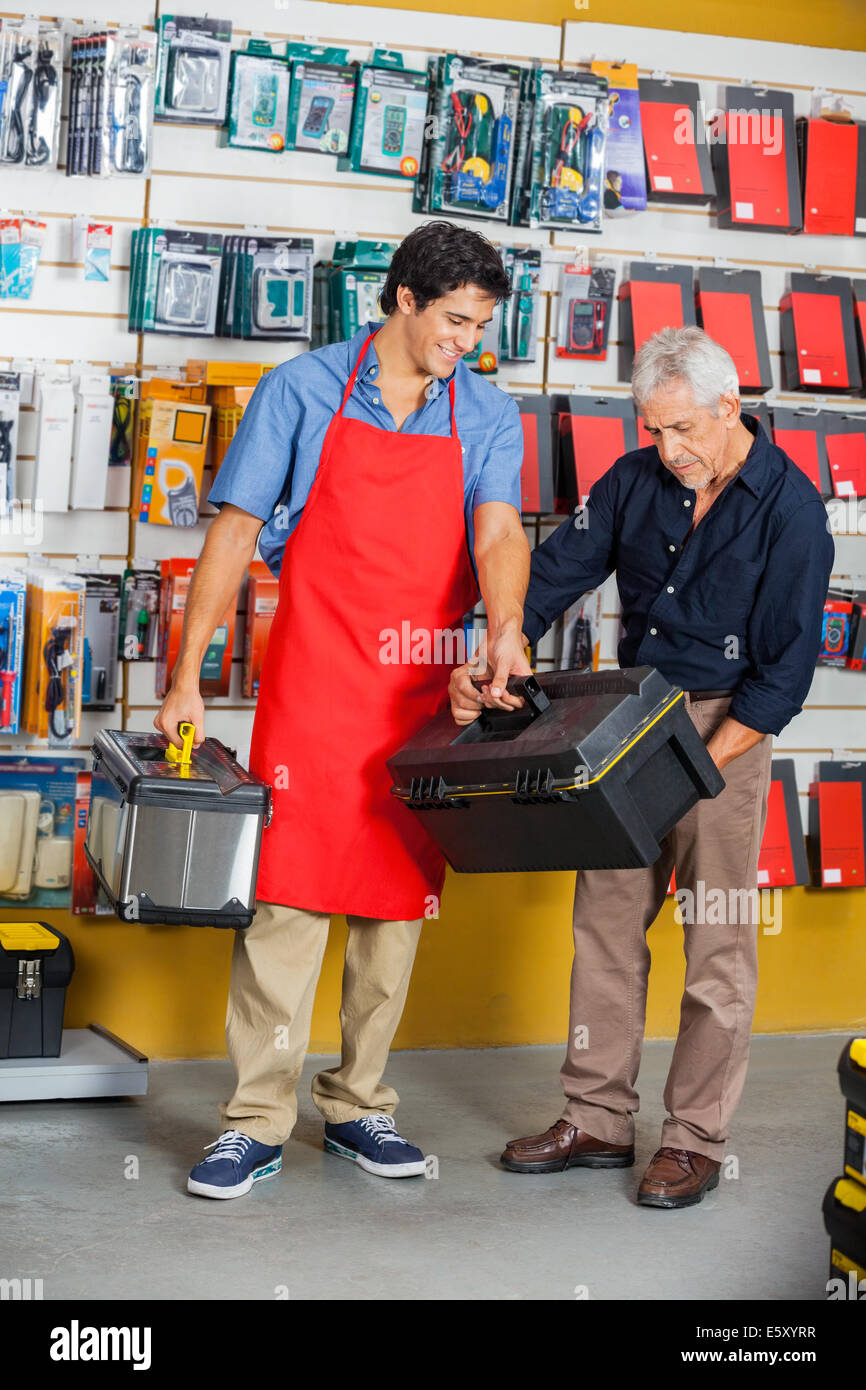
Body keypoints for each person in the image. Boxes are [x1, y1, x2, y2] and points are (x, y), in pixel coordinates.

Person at [156, 220, 531, 1199]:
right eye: (453, 320)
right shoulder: (302, 390)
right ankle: (255, 1120)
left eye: (480, 325)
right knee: (285, 903)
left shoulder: (486, 412)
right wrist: (186, 676)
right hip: (315, 685)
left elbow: (495, 531)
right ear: (403, 299)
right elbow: (234, 537)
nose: (466, 341)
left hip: (420, 693)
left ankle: (360, 1104)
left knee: (392, 913)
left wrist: (503, 628)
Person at [450, 326, 834, 1209]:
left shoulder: (793, 511)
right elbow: (553, 575)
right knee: (606, 928)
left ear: (730, 409)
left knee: (718, 947)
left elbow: (783, 677)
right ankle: (596, 1119)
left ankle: (694, 1139)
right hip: (628, 721)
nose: (668, 451)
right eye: (653, 430)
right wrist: (502, 644)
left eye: (683, 431)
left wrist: (699, 761)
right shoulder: (633, 480)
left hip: (724, 734)